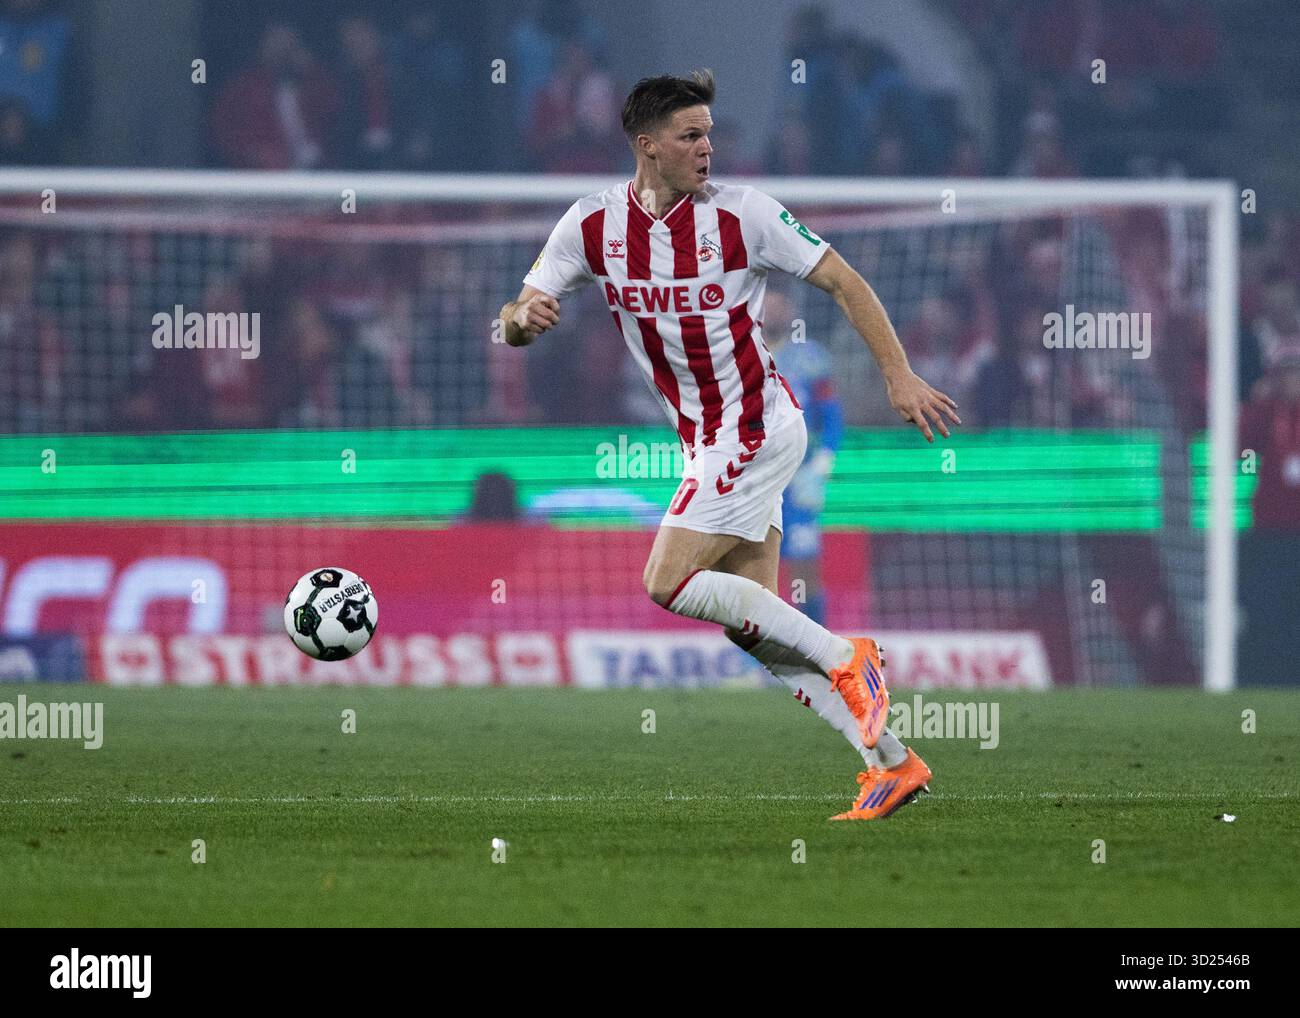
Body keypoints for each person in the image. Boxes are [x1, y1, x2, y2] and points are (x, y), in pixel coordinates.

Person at [498, 70, 959, 820]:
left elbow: (844, 282)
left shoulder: (745, 215)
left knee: (665, 580)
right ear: (646, 146)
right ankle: (892, 761)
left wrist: (898, 375)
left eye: (710, 133)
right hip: (708, 438)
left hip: (752, 426)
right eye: (691, 136)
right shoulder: (590, 227)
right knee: (754, 624)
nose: (708, 148)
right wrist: (526, 318)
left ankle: (851, 658)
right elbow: (515, 316)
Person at [762, 289, 843, 628]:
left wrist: (823, 463)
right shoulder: (739, 356)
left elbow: (832, 415)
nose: (771, 312)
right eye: (765, 305)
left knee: (804, 566)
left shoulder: (811, 359)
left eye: (778, 305)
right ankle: (753, 660)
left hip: (799, 480)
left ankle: (817, 647)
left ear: (790, 310)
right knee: (753, 567)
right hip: (757, 479)